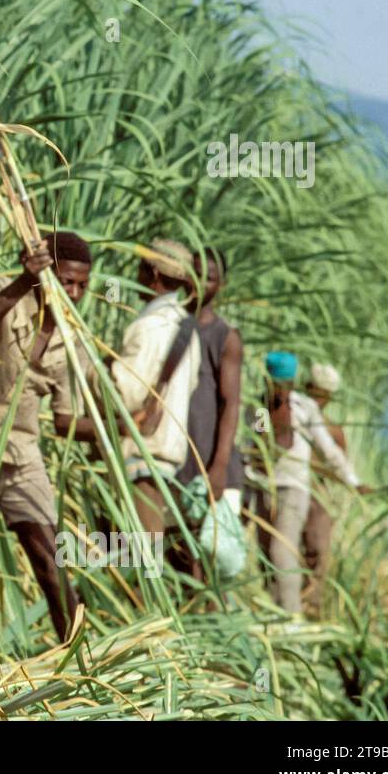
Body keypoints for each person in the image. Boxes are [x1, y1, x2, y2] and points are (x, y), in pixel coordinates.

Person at [0, 231, 98, 669]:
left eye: (83, 284)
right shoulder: (8, 294)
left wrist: (110, 431)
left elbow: (63, 421)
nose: (75, 293)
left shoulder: (71, 341)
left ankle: (80, 667)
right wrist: (25, 281)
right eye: (66, 282)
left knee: (50, 561)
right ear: (46, 274)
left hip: (22, 459)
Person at [250, 351, 365, 614]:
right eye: (274, 384)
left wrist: (353, 480)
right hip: (263, 487)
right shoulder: (258, 408)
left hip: (293, 487)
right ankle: (272, 612)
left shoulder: (303, 409)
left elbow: (329, 450)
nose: (280, 390)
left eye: (285, 385)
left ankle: (292, 615)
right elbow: (255, 447)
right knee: (266, 554)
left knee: (283, 551)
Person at [111, 239, 201, 544]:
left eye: (140, 268)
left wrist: (95, 371)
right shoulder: (185, 327)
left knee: (141, 555)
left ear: (152, 274)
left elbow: (127, 393)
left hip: (143, 450)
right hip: (167, 453)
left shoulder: (150, 326)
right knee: (144, 549)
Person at [175, 247, 245, 579]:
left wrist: (218, 466)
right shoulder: (171, 323)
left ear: (223, 284)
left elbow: (231, 403)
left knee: (213, 555)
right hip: (176, 458)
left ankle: (211, 624)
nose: (202, 283)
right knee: (179, 552)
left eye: (211, 278)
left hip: (210, 461)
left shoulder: (224, 337)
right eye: (196, 273)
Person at [300, 362, 346, 610]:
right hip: (287, 489)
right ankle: (284, 601)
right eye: (312, 393)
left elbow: (340, 468)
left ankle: (311, 603)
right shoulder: (286, 413)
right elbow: (259, 435)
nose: (316, 400)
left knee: (316, 549)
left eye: (321, 395)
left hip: (317, 495)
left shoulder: (334, 431)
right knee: (283, 549)